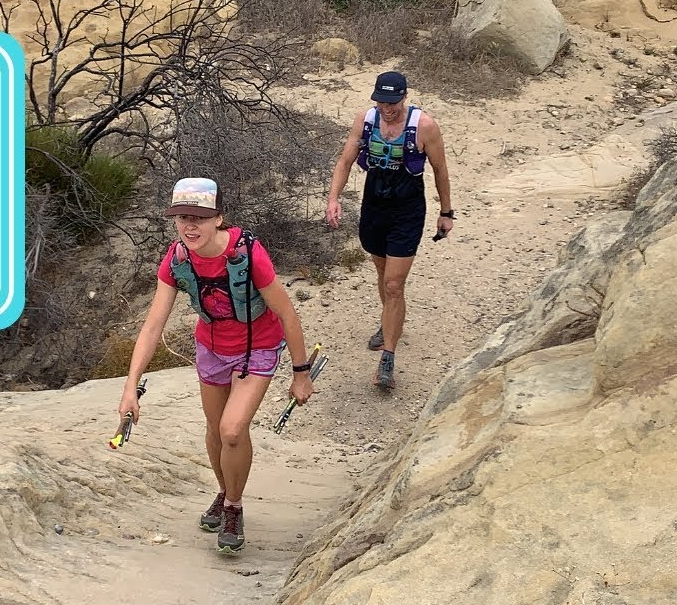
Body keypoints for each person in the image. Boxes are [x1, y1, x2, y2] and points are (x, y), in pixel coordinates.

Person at [118, 177, 315, 554]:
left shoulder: (248, 254)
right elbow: (153, 323)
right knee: (214, 428)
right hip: (211, 347)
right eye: (182, 217)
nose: (190, 226)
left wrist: (300, 373)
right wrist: (130, 387)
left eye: (199, 217)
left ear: (219, 218)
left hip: (256, 348)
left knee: (232, 430)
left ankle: (234, 509)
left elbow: (287, 313)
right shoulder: (176, 260)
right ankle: (226, 491)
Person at [324, 71, 454, 390]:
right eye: (382, 101)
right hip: (374, 204)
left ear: (404, 97)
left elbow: (440, 170)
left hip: (407, 209)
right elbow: (344, 161)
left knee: (394, 284)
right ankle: (390, 322)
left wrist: (446, 212)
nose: (387, 108)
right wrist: (333, 199)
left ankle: (387, 358)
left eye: (393, 102)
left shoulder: (425, 126)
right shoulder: (365, 121)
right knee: (383, 274)